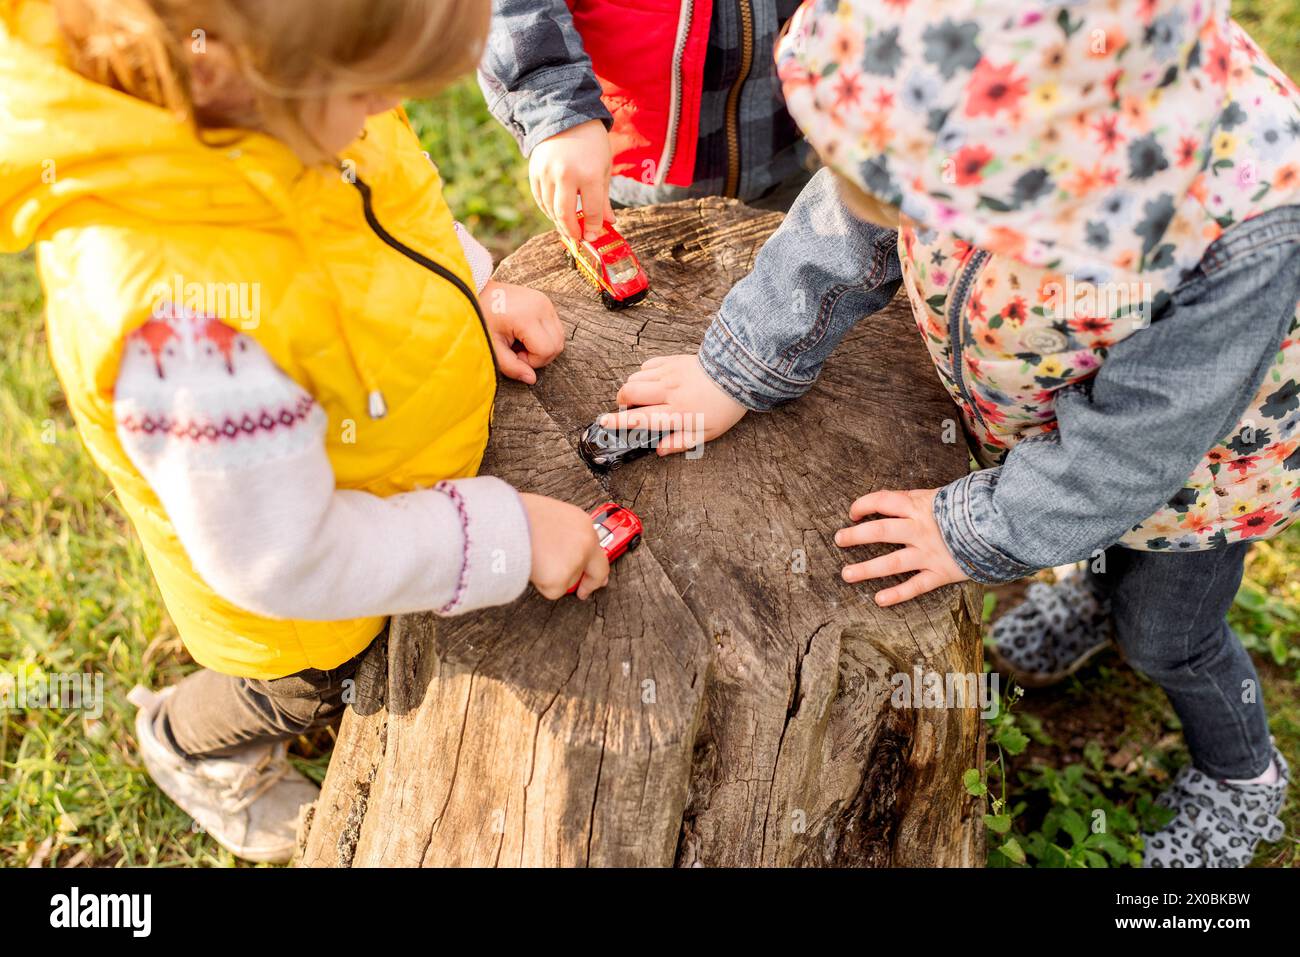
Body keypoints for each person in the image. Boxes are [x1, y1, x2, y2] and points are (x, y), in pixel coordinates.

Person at [606, 0, 1300, 867]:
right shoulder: (941, 87)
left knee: (1167, 630)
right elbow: (846, 222)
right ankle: (1092, 587)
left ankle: (1242, 772)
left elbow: (1135, 443)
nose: (900, 214)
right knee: (1095, 549)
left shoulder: (1239, 220)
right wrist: (737, 365)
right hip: (1060, 410)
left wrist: (974, 529)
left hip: (1199, 479)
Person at [0, 0, 609, 863]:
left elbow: (387, 218)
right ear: (227, 73)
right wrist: (505, 533)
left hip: (383, 463)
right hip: (301, 613)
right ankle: (185, 741)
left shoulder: (301, 95)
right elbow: (283, 561)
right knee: (304, 689)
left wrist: (473, 285)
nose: (382, 111)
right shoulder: (183, 325)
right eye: (371, 91)